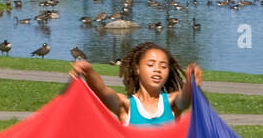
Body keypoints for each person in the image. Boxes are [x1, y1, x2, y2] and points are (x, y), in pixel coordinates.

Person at [69, 42, 202, 126]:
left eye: (163, 66)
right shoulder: (126, 106)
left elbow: (186, 98)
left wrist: (192, 83)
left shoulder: (172, 104)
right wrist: (88, 70)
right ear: (137, 69)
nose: (157, 69)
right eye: (150, 64)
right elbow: (101, 90)